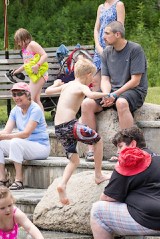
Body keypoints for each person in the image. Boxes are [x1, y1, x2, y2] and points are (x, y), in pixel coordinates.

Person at [90, 127, 160, 239]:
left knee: (97, 210)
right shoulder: (158, 157)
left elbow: (107, 198)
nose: (118, 152)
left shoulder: (128, 159)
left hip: (157, 222)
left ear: (133, 144)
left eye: (120, 146)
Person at [44, 58, 112, 205]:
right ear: (88, 75)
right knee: (98, 140)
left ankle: (62, 184)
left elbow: (48, 91)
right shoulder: (81, 87)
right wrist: (106, 93)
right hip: (70, 125)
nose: (92, 81)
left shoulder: (68, 85)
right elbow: (92, 95)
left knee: (74, 160)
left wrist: (56, 83)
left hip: (58, 129)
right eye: (92, 77)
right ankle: (98, 175)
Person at [82, 21, 148, 162]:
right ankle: (92, 150)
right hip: (112, 91)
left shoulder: (135, 49)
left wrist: (115, 95)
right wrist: (106, 95)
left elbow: (135, 80)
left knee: (122, 103)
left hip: (133, 90)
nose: (103, 37)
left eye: (106, 33)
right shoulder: (106, 52)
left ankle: (127, 150)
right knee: (86, 104)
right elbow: (105, 79)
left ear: (117, 34)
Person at [0, 82, 51, 191]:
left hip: (40, 147)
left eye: (20, 94)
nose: (16, 97)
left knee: (15, 141)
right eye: (14, 95)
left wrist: (3, 137)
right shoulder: (15, 110)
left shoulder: (35, 109)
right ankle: (3, 180)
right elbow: (6, 131)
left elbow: (26, 134)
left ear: (28, 95)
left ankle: (18, 180)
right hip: (24, 145)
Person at [92, 0, 125, 83]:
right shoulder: (101, 7)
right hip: (100, 48)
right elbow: (96, 28)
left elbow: (120, 28)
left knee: (110, 79)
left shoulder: (119, 5)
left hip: (112, 47)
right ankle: (96, 99)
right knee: (95, 79)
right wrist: (98, 46)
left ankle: (111, 99)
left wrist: (110, 46)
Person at [6, 29, 48, 105]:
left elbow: (44, 55)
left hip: (39, 74)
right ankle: (41, 117)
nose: (18, 44)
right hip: (34, 75)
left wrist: (37, 65)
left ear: (26, 38)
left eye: (19, 41)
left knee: (29, 98)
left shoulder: (32, 44)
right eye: (17, 42)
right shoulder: (25, 49)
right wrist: (18, 71)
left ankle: (28, 116)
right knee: (36, 100)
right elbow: (27, 64)